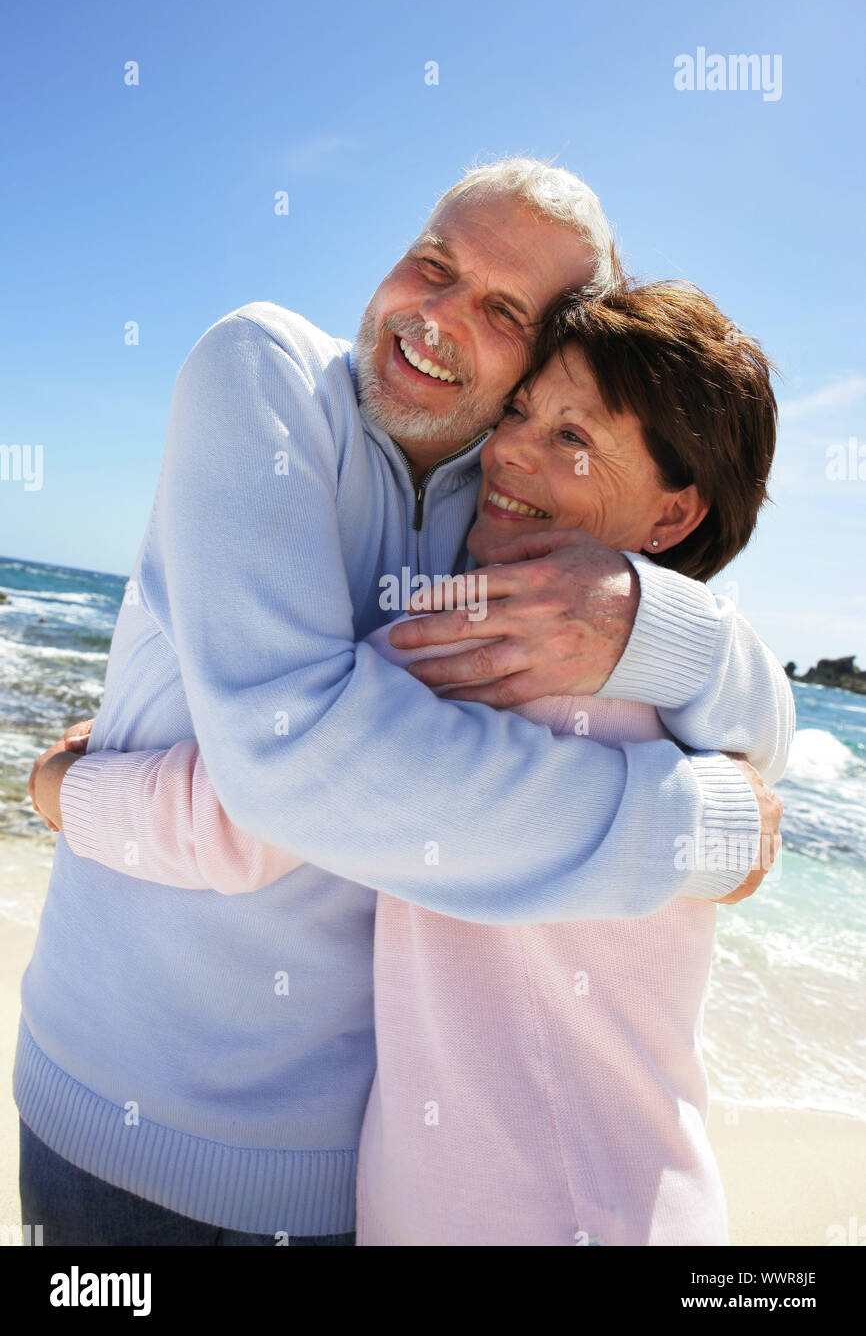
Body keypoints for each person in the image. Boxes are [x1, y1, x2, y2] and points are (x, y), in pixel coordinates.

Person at [20, 160, 788, 1246]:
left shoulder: (514, 562)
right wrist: (696, 815)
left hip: (353, 1180)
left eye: (501, 311)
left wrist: (658, 632)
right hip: (118, 1120)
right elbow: (287, 764)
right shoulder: (269, 369)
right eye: (433, 263)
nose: (435, 316)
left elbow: (266, 794)